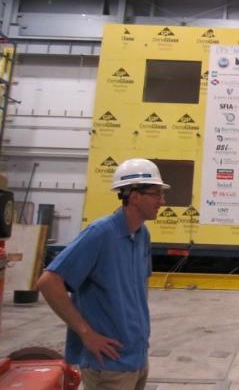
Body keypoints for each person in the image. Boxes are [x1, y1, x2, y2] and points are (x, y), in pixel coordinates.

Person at [36, 158, 170, 390]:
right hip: (108, 366)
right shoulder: (100, 233)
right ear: (135, 197)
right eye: (156, 194)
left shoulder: (142, 235)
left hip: (136, 358)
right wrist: (86, 334)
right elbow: (49, 282)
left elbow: (139, 289)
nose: (162, 201)